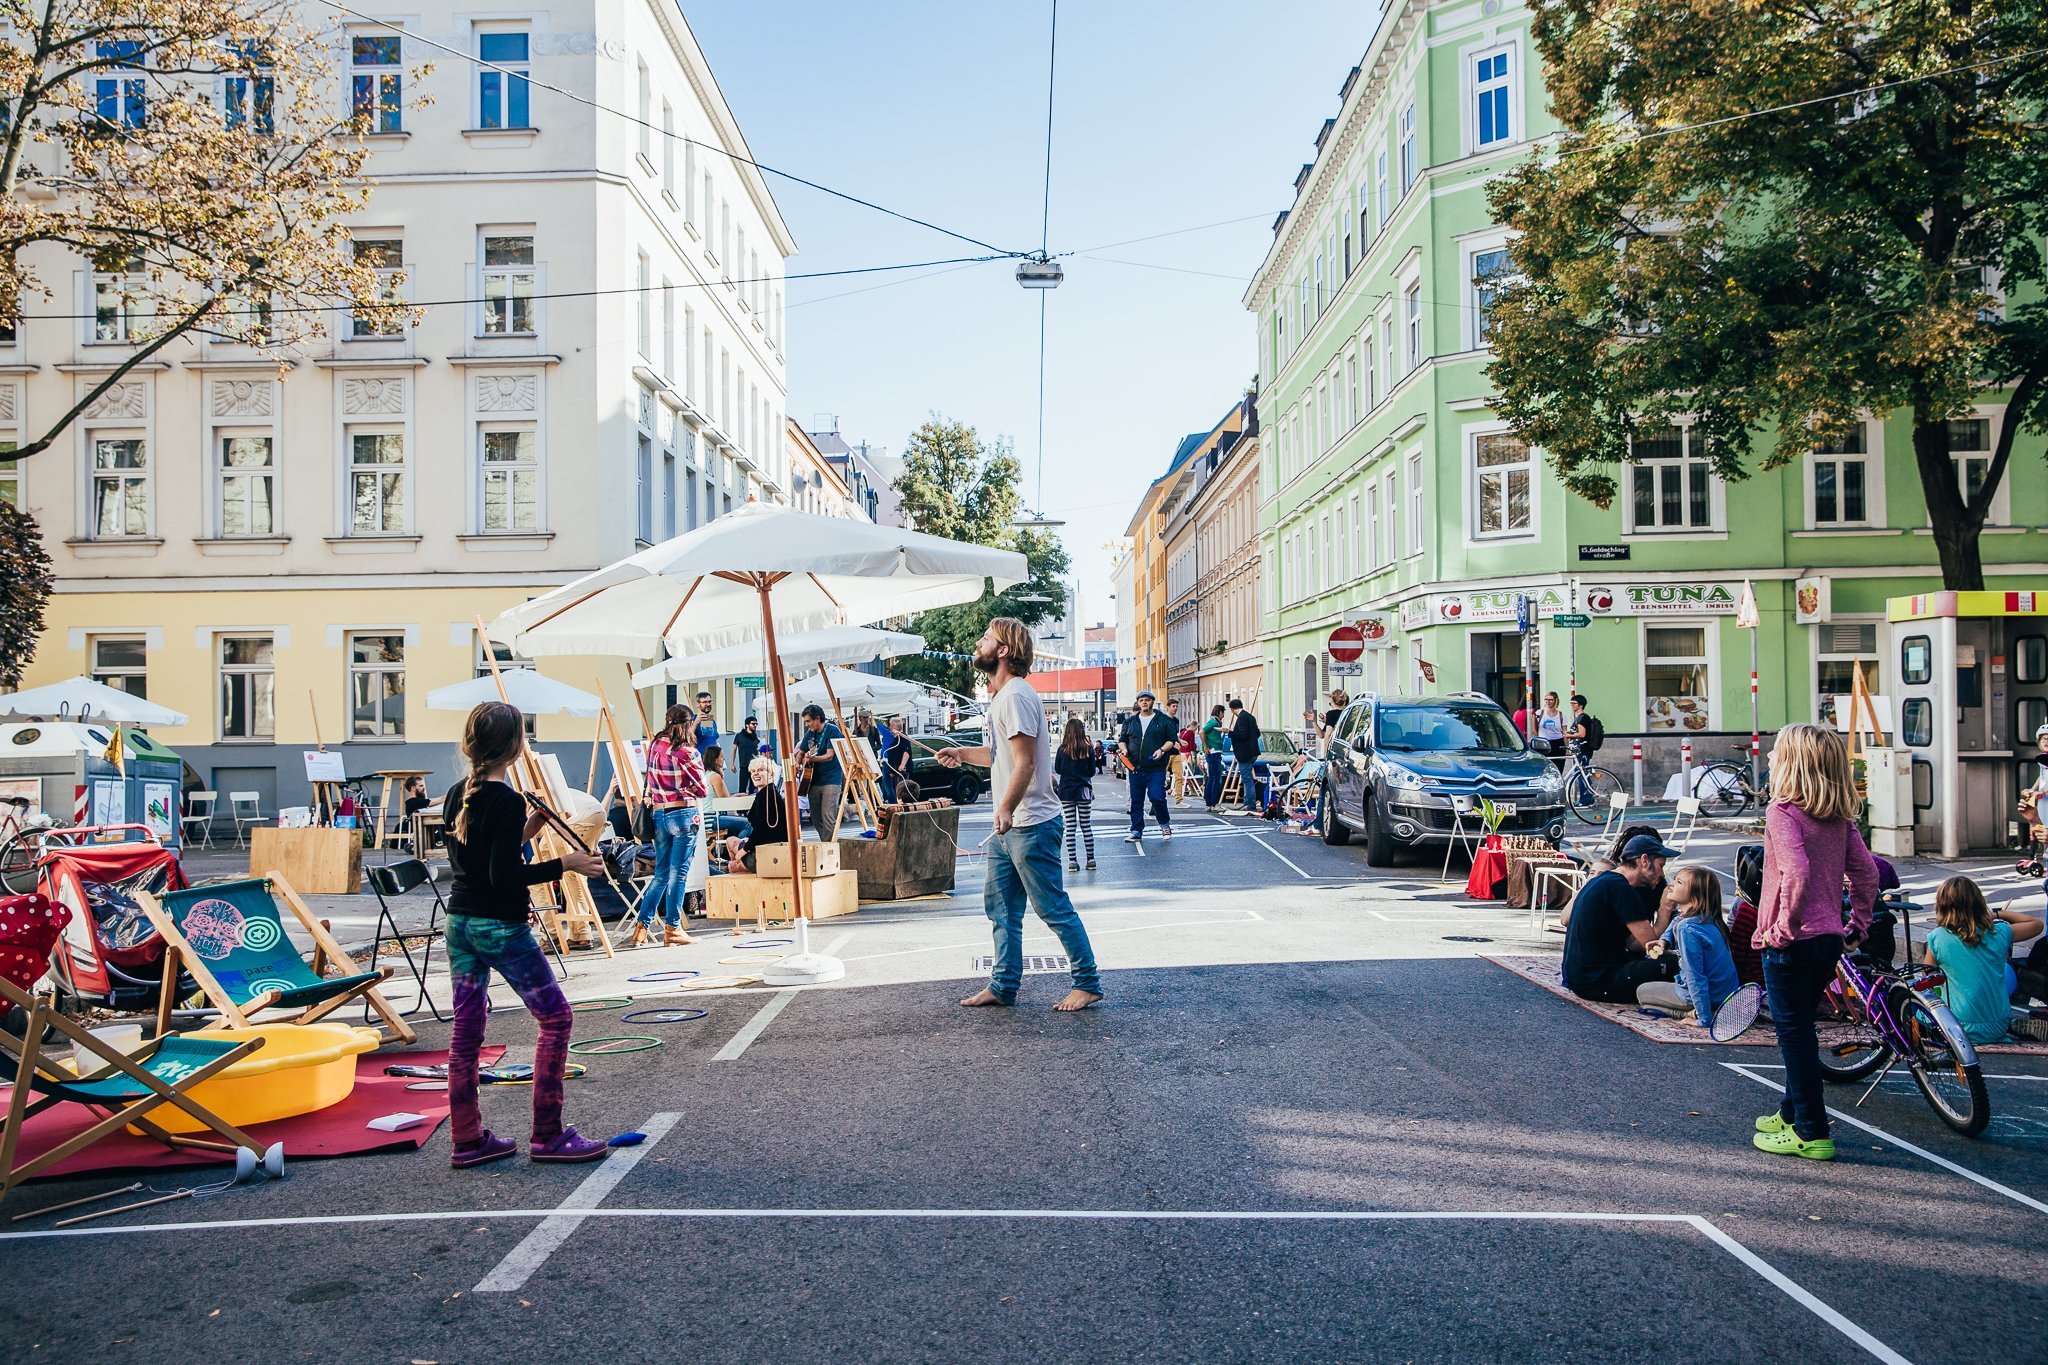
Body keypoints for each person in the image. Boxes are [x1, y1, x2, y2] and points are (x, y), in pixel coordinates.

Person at [439, 702, 610, 1167]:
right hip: (498, 925)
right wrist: (566, 863)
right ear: (515, 748)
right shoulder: (507, 799)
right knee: (555, 1019)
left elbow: (477, 860)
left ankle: (468, 1139)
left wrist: (524, 833)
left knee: (466, 1032)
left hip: (460, 923)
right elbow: (502, 877)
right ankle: (548, 1135)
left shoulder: (458, 793)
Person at [936, 617, 1102, 1011]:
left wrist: (1006, 808)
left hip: (1031, 824)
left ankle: (1088, 981)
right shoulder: (1003, 697)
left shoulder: (1014, 696)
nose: (978, 643)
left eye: (986, 639)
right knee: (1001, 909)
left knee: (1052, 908)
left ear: (1004, 651)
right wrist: (961, 755)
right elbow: (1001, 757)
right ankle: (1003, 985)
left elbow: (1025, 764)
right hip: (1010, 827)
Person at [1753, 722, 1879, 1162]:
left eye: (1775, 752)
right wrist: (1859, 924)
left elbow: (1797, 872)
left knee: (1795, 1036)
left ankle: (1810, 1130)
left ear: (1792, 764)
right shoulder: (1839, 819)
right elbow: (1867, 872)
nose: (1769, 757)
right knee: (1802, 1029)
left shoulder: (1782, 813)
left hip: (1790, 941)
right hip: (1828, 939)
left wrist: (1782, 927)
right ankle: (1791, 1112)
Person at [1923, 876, 2044, 1043]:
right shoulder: (1999, 932)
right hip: (1998, 1025)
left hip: (1957, 1027)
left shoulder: (1937, 937)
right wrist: (1996, 913)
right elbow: (2036, 924)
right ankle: (2013, 1025)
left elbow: (1927, 979)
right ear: (1980, 903)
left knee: (1920, 1007)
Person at [1562, 833, 1682, 1002]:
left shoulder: (1605, 880)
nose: (1662, 874)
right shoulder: (1621, 888)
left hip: (1582, 977)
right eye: (1660, 865)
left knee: (1664, 963)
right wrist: (1665, 907)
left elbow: (1634, 945)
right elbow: (1651, 946)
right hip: (1598, 981)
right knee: (1677, 965)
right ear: (1644, 861)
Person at [630, 704, 705, 948]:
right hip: (684, 813)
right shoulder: (687, 752)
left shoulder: (655, 745)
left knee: (661, 873)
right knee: (678, 873)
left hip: (660, 814)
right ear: (688, 722)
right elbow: (702, 789)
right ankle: (673, 927)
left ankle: (641, 927)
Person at [1636, 866, 1743, 1027]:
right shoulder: (1709, 918)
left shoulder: (1687, 929)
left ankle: (1689, 1013)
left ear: (1695, 895)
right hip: (1726, 994)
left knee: (1642, 992)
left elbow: (1695, 975)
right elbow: (1678, 919)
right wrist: (1664, 941)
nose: (1671, 885)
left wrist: (1703, 1018)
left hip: (1707, 997)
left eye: (1678, 882)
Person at [1118, 690, 1176, 842]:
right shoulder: (1130, 722)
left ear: (1152, 702)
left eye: (1147, 700)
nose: (1144, 702)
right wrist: (1124, 749)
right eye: (1141, 700)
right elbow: (1122, 739)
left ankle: (1164, 824)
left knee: (1157, 797)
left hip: (1155, 767)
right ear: (1138, 703)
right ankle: (1136, 830)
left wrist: (1162, 750)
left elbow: (1171, 740)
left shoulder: (1163, 720)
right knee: (1136, 801)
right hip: (1135, 768)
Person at [725, 756, 792, 872]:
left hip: (765, 855)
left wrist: (745, 849)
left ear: (771, 774)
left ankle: (738, 866)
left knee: (730, 841)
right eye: (753, 771)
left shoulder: (766, 796)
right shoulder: (768, 793)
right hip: (772, 853)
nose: (756, 774)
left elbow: (762, 828)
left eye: (761, 770)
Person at [1054, 717, 1099, 873]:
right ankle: (1091, 859)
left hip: (1066, 791)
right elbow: (1092, 772)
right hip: (1084, 791)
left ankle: (1072, 861)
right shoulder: (1088, 748)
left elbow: (1058, 770)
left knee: (1070, 827)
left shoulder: (1062, 749)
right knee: (1086, 826)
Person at [796, 704, 845, 842]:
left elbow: (829, 756)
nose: (806, 725)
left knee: (828, 816)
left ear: (817, 718)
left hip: (831, 779)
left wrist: (813, 758)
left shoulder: (832, 731)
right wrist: (798, 764)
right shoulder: (810, 734)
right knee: (816, 817)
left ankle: (829, 848)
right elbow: (800, 752)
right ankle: (826, 843)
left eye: (808, 721)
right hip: (812, 780)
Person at [699, 744, 751, 847]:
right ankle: (737, 849)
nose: (724, 759)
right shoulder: (715, 777)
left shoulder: (707, 775)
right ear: (715, 760)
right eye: (722, 757)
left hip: (706, 817)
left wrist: (735, 796)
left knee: (740, 822)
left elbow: (723, 799)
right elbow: (724, 803)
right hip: (712, 819)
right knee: (748, 824)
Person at [1228, 698, 1263, 814]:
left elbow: (1242, 735)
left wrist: (1229, 733)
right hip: (1253, 752)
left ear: (1232, 709)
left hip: (1245, 753)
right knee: (1248, 778)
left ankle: (1249, 804)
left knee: (1247, 779)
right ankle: (1249, 802)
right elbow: (1257, 733)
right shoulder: (1250, 717)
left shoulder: (1242, 718)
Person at [1202, 703, 1229, 812]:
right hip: (1214, 752)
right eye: (1223, 713)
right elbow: (1201, 732)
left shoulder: (1215, 723)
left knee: (1211, 778)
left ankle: (1209, 803)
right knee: (1216, 778)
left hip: (1213, 752)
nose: (1223, 716)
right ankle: (1214, 803)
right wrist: (1206, 746)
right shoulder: (1213, 722)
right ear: (1219, 712)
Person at [732, 716, 762, 792]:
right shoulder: (739, 736)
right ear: (747, 725)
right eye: (753, 724)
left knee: (753, 788)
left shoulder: (756, 737)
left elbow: (757, 750)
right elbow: (734, 750)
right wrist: (732, 764)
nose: (755, 725)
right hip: (744, 766)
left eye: (756, 724)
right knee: (742, 788)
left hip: (754, 767)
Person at [691, 690, 720, 754]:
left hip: (712, 759)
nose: (708, 704)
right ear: (698, 704)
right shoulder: (692, 720)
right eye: (705, 702)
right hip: (699, 759)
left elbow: (713, 738)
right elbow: (688, 739)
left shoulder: (710, 720)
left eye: (710, 702)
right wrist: (695, 723)